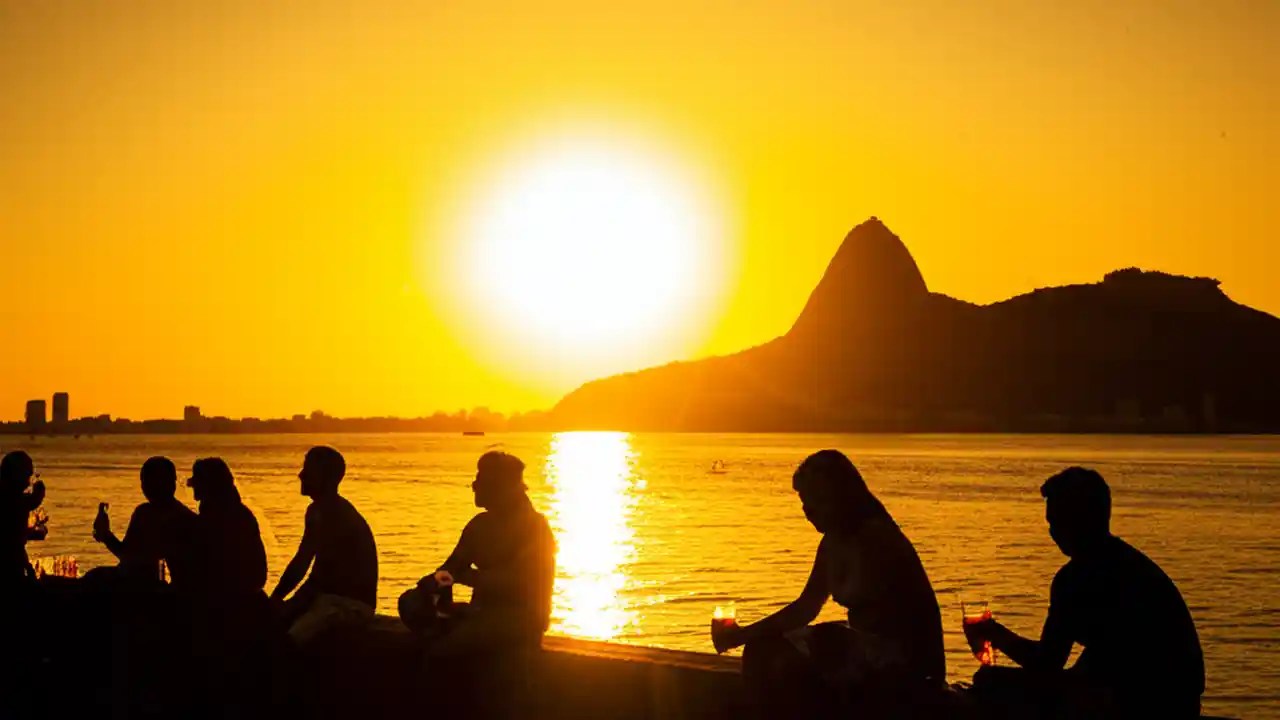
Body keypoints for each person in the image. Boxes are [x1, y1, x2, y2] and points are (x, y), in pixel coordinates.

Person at [710, 450, 946, 717]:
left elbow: (901, 623)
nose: (807, 511)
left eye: (814, 500)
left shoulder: (877, 538)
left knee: (821, 645)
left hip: (907, 660)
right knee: (762, 649)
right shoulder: (831, 544)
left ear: (839, 496)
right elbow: (805, 607)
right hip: (867, 650)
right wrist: (743, 635)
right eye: (803, 501)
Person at [965, 467, 1204, 718]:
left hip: (1142, 702)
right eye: (1050, 523)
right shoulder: (1132, 565)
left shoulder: (1077, 578)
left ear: (1081, 519)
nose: (1052, 533)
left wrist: (993, 633)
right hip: (1180, 701)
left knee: (990, 681)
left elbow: (1046, 664)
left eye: (1057, 522)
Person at [399, 451, 556, 657]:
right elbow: (451, 567)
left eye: (481, 482)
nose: (474, 487)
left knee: (444, 652)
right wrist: (433, 586)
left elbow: (518, 583)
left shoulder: (534, 528)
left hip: (519, 619)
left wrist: (466, 577)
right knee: (410, 603)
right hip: (482, 613)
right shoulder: (479, 525)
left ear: (501, 489)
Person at [270, 446, 378, 645]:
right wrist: (277, 600)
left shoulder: (331, 514)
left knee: (289, 640)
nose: (300, 475)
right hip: (333, 599)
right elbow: (303, 564)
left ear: (326, 478)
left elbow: (318, 575)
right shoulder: (319, 510)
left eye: (308, 470)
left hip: (349, 605)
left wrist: (281, 603)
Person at [93, 456, 199, 587]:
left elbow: (132, 560)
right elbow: (132, 556)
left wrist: (106, 535)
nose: (146, 487)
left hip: (156, 591)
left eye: (151, 481)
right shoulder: (149, 512)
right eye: (144, 481)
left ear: (171, 483)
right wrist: (106, 534)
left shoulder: (163, 516)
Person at [1, 450, 46, 583]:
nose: (29, 480)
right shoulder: (10, 497)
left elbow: (10, 532)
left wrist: (32, 533)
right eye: (27, 475)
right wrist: (39, 495)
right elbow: (26, 503)